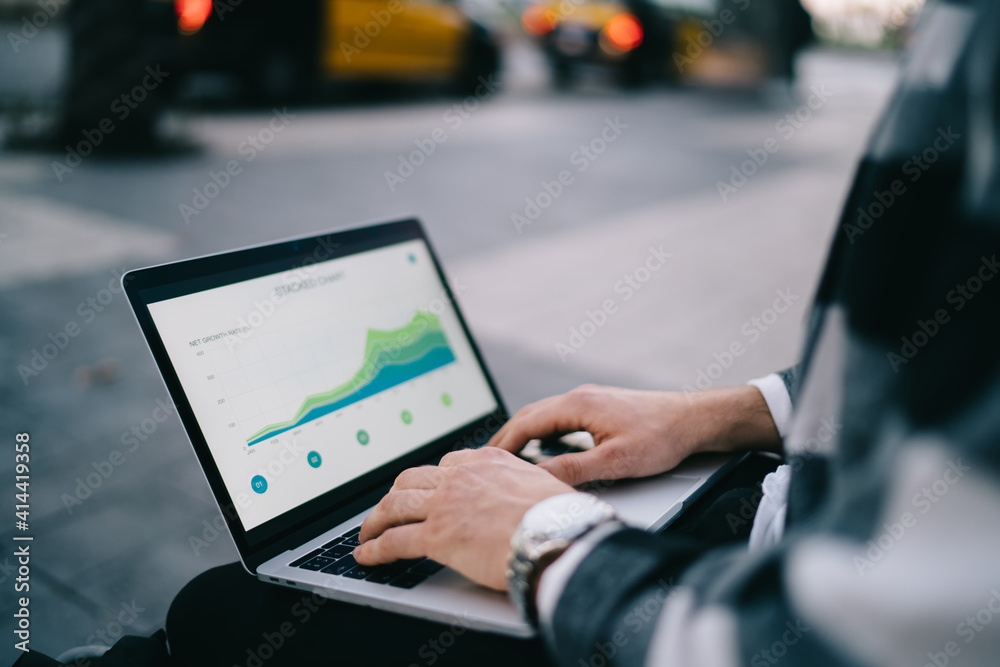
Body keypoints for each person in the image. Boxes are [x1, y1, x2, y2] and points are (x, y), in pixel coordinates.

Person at [19, 1, 1000, 665]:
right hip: (781, 508)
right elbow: (952, 369)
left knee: (225, 613)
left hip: (736, 602)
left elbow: (846, 643)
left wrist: (539, 542)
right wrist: (729, 416)